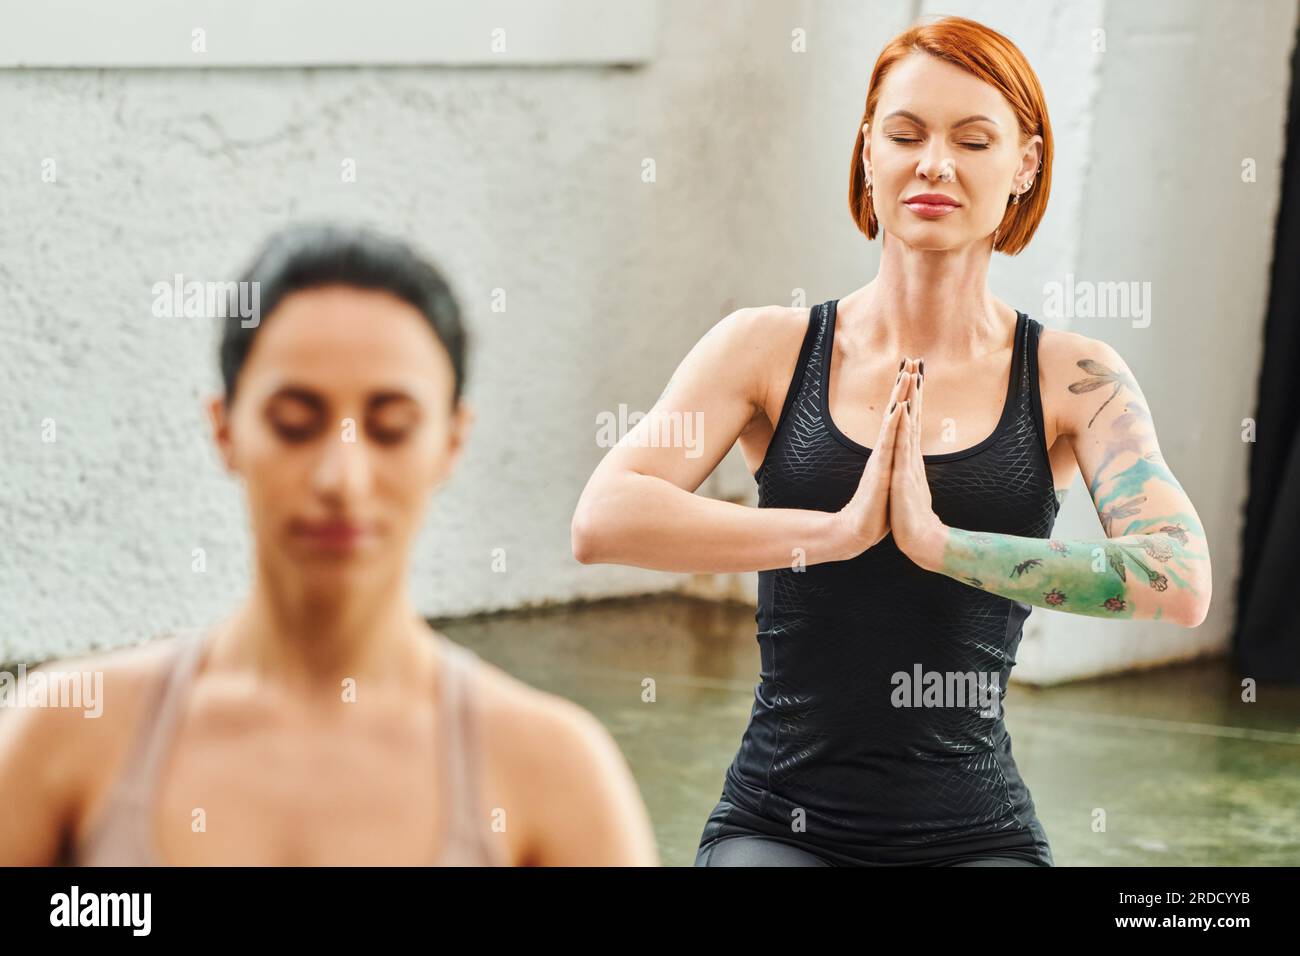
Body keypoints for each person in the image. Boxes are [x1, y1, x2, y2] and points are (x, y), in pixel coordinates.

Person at [571, 16, 1211, 866]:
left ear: (1024, 164)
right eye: (905, 133)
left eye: (974, 140)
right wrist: (836, 534)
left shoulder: (1071, 374)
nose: (934, 163)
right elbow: (604, 518)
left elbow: (1180, 579)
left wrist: (942, 545)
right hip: (779, 823)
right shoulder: (767, 347)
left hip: (977, 833)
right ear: (868, 150)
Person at [0, 224, 658, 866]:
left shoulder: (555, 773)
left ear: (452, 442)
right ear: (224, 429)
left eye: (391, 428)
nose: (341, 479)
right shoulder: (67, 734)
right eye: (294, 424)